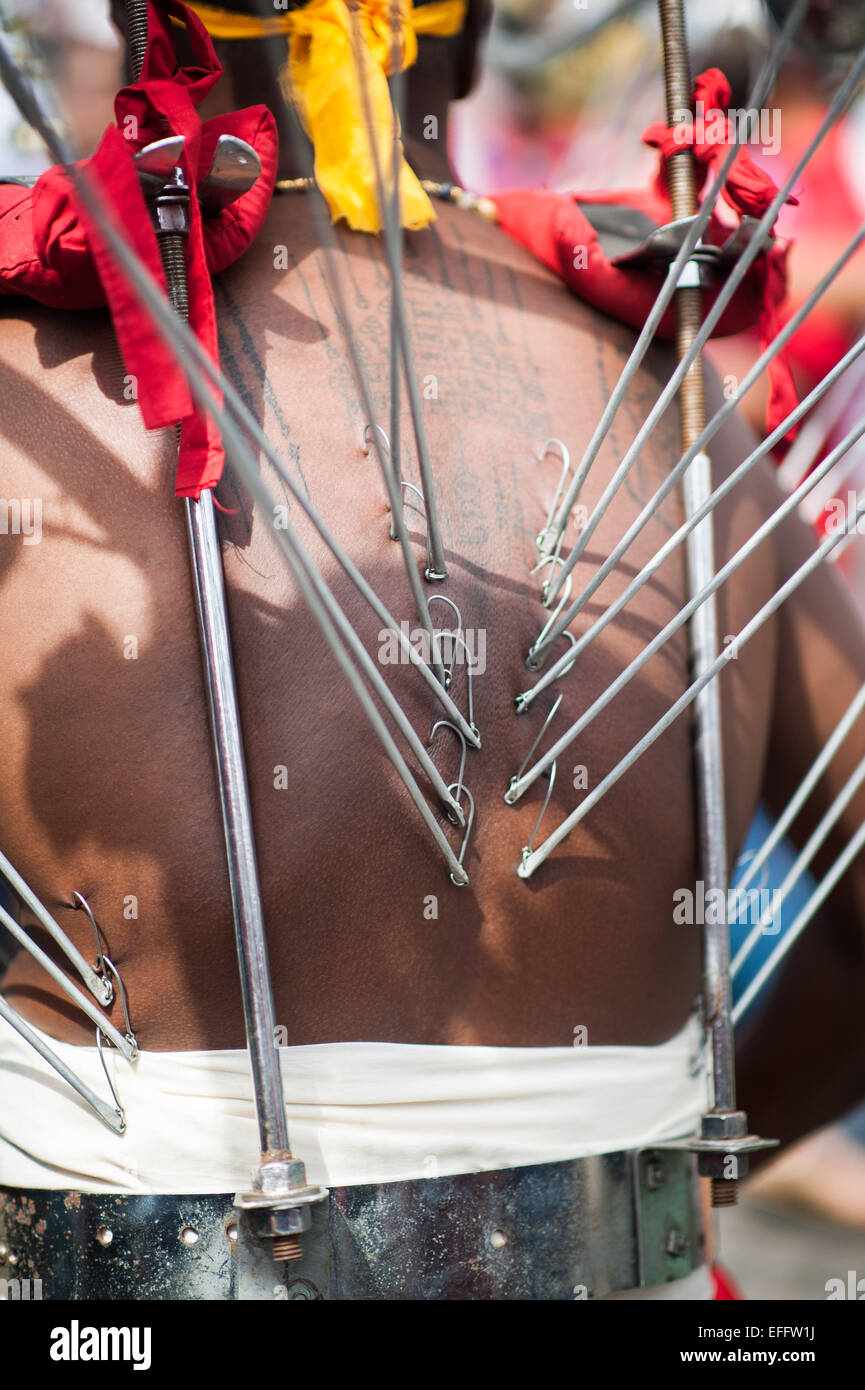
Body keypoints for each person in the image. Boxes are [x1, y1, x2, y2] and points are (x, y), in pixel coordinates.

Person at [0, 0, 864, 1299]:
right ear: (472, 29)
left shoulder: (29, 406)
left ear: (137, 18)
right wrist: (661, 1162)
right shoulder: (676, 414)